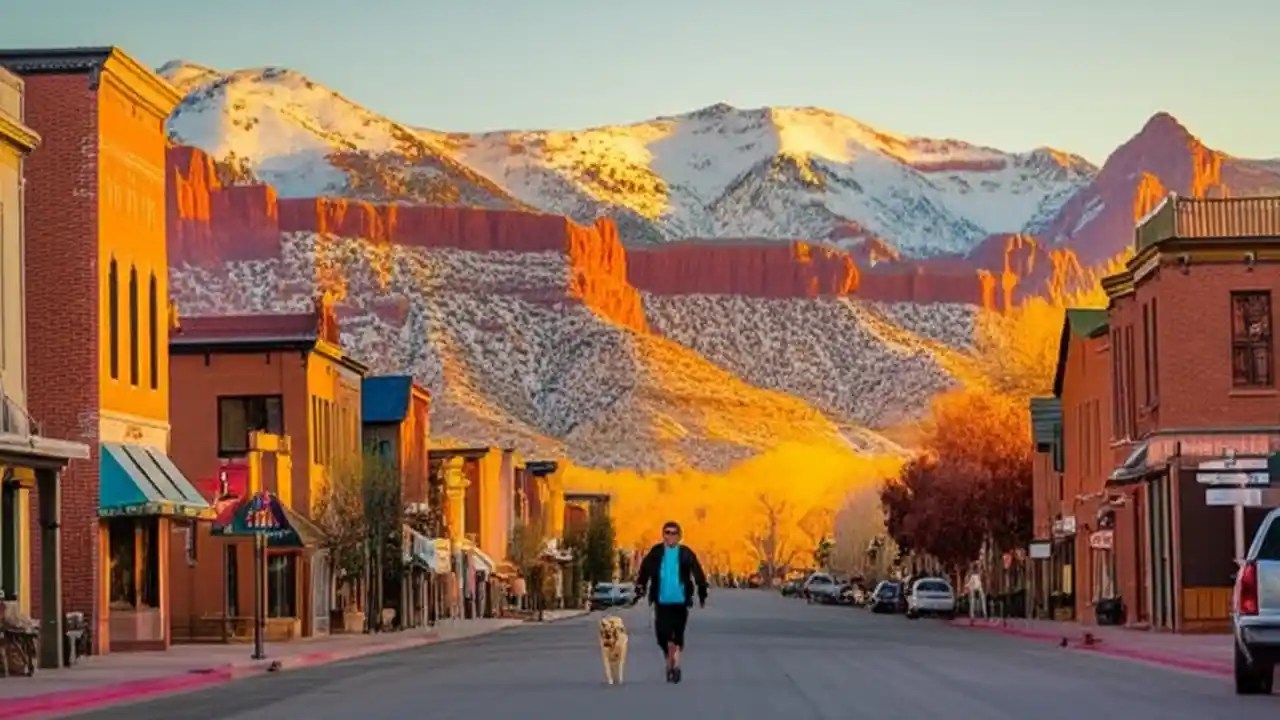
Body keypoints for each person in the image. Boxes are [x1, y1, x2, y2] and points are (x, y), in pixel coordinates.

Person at [635, 520, 708, 683]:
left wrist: (702, 592)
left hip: (680, 601)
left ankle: (674, 666)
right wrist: (640, 587)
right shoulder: (656, 552)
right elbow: (644, 571)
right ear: (663, 535)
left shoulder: (686, 553)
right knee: (662, 635)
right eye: (667, 533)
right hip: (661, 601)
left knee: (677, 635)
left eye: (673, 533)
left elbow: (698, 574)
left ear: (679, 536)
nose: (670, 536)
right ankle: (670, 659)